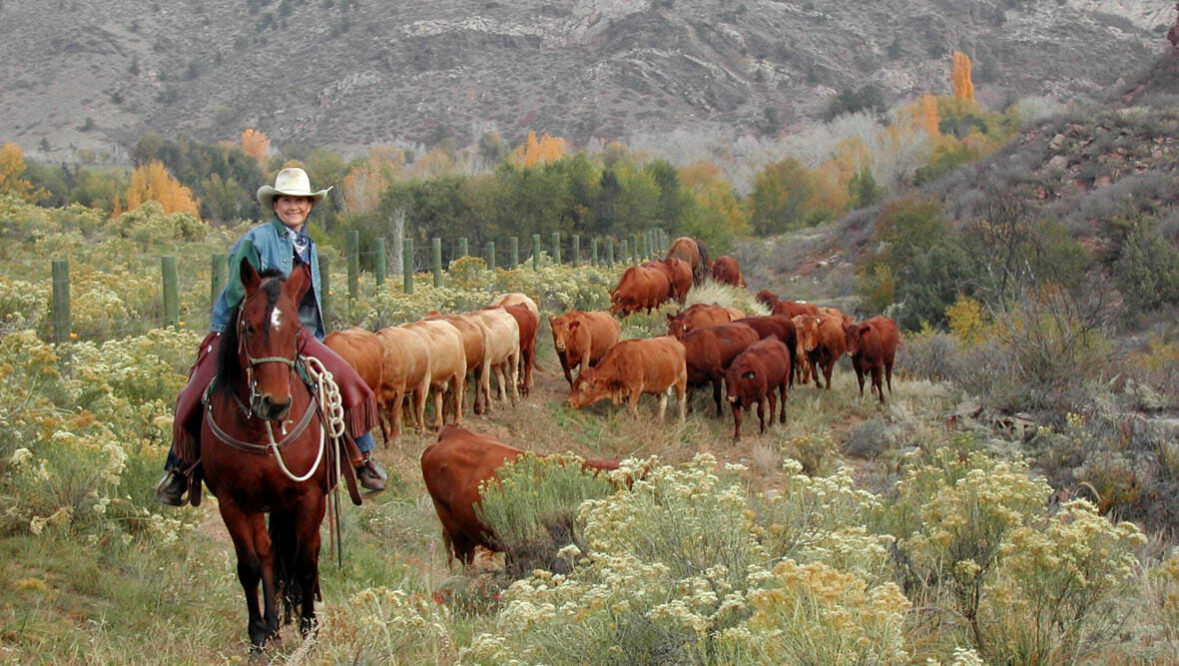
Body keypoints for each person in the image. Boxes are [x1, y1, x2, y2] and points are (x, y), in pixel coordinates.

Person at [156, 167, 386, 505]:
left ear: (309, 206)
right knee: (195, 391)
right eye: (287, 200)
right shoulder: (255, 240)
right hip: (243, 331)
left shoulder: (308, 244)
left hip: (297, 333)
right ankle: (179, 467)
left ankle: (362, 457)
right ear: (276, 204)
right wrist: (262, 319)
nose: (294, 206)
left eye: (301, 201)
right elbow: (237, 291)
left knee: (346, 380)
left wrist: (300, 331)